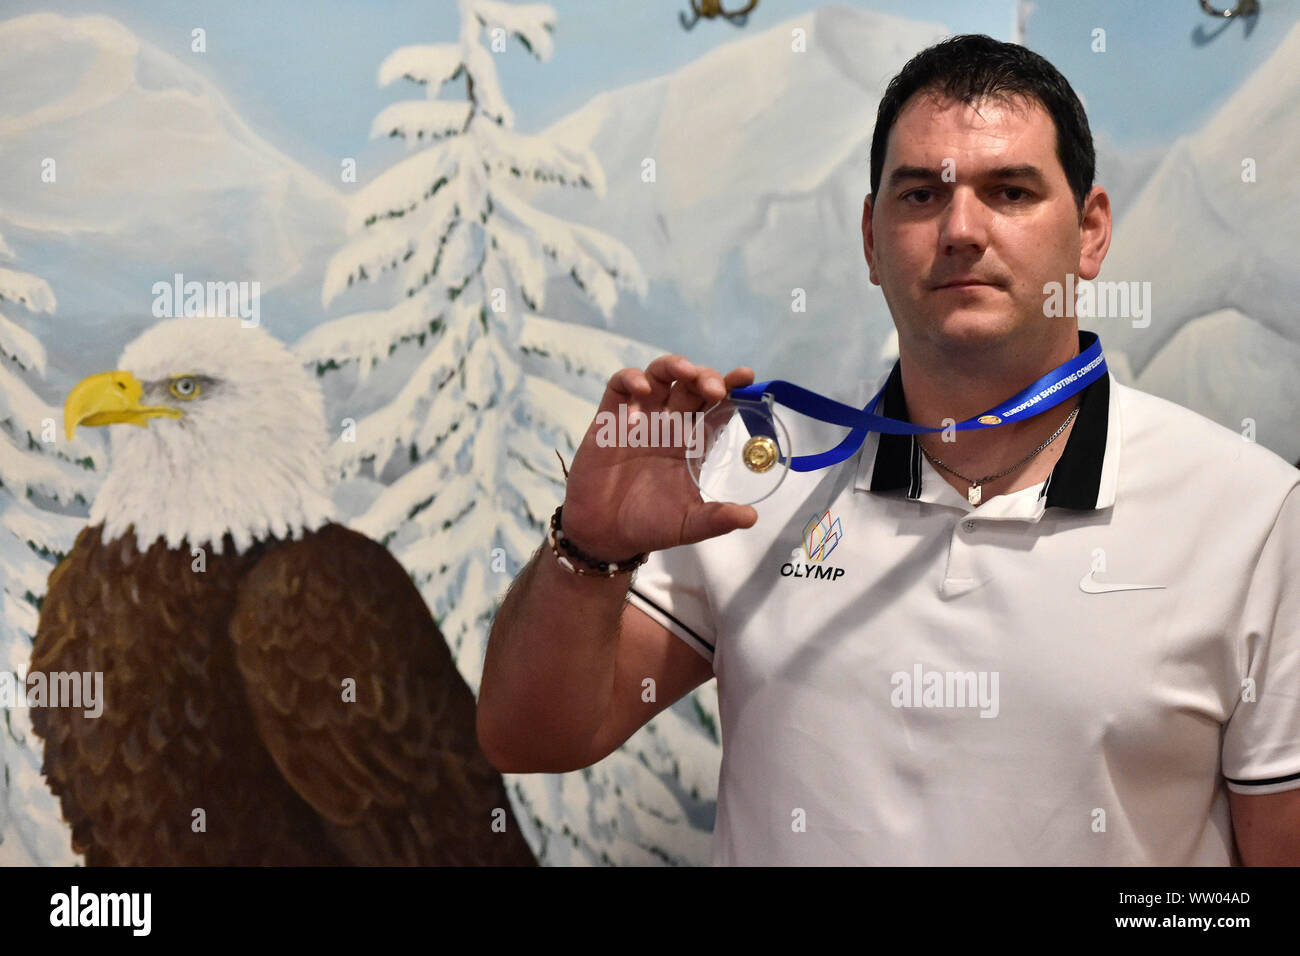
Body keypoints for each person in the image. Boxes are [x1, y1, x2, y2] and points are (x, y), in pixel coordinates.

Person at [478, 35, 1300, 865]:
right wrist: (589, 547)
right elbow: (530, 737)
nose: (961, 230)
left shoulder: (1251, 512)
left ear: (1090, 233)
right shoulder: (751, 478)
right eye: (919, 195)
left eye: (1009, 190)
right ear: (871, 238)